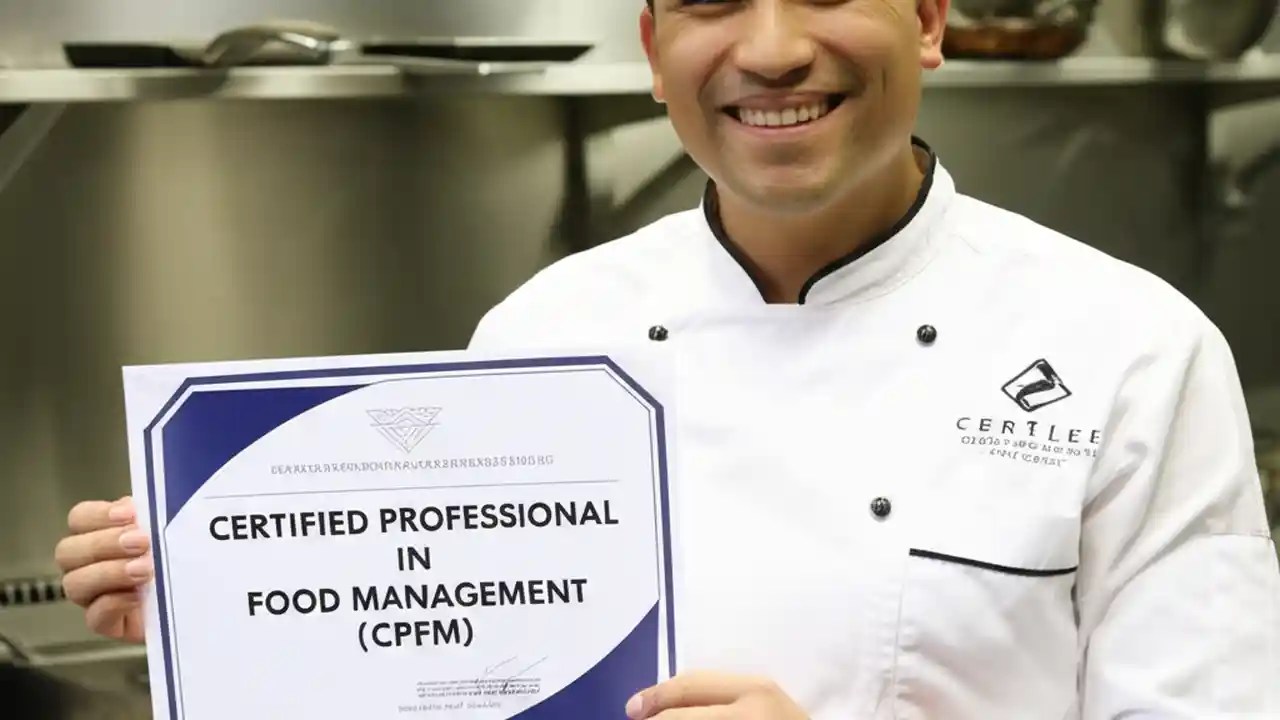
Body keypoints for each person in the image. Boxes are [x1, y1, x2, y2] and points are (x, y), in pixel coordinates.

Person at [52, 0, 1280, 718]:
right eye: (708, 1)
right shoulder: (542, 335)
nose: (771, 49)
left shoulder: (1128, 349)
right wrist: (217, 597)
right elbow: (449, 671)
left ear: (924, 21)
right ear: (651, 49)